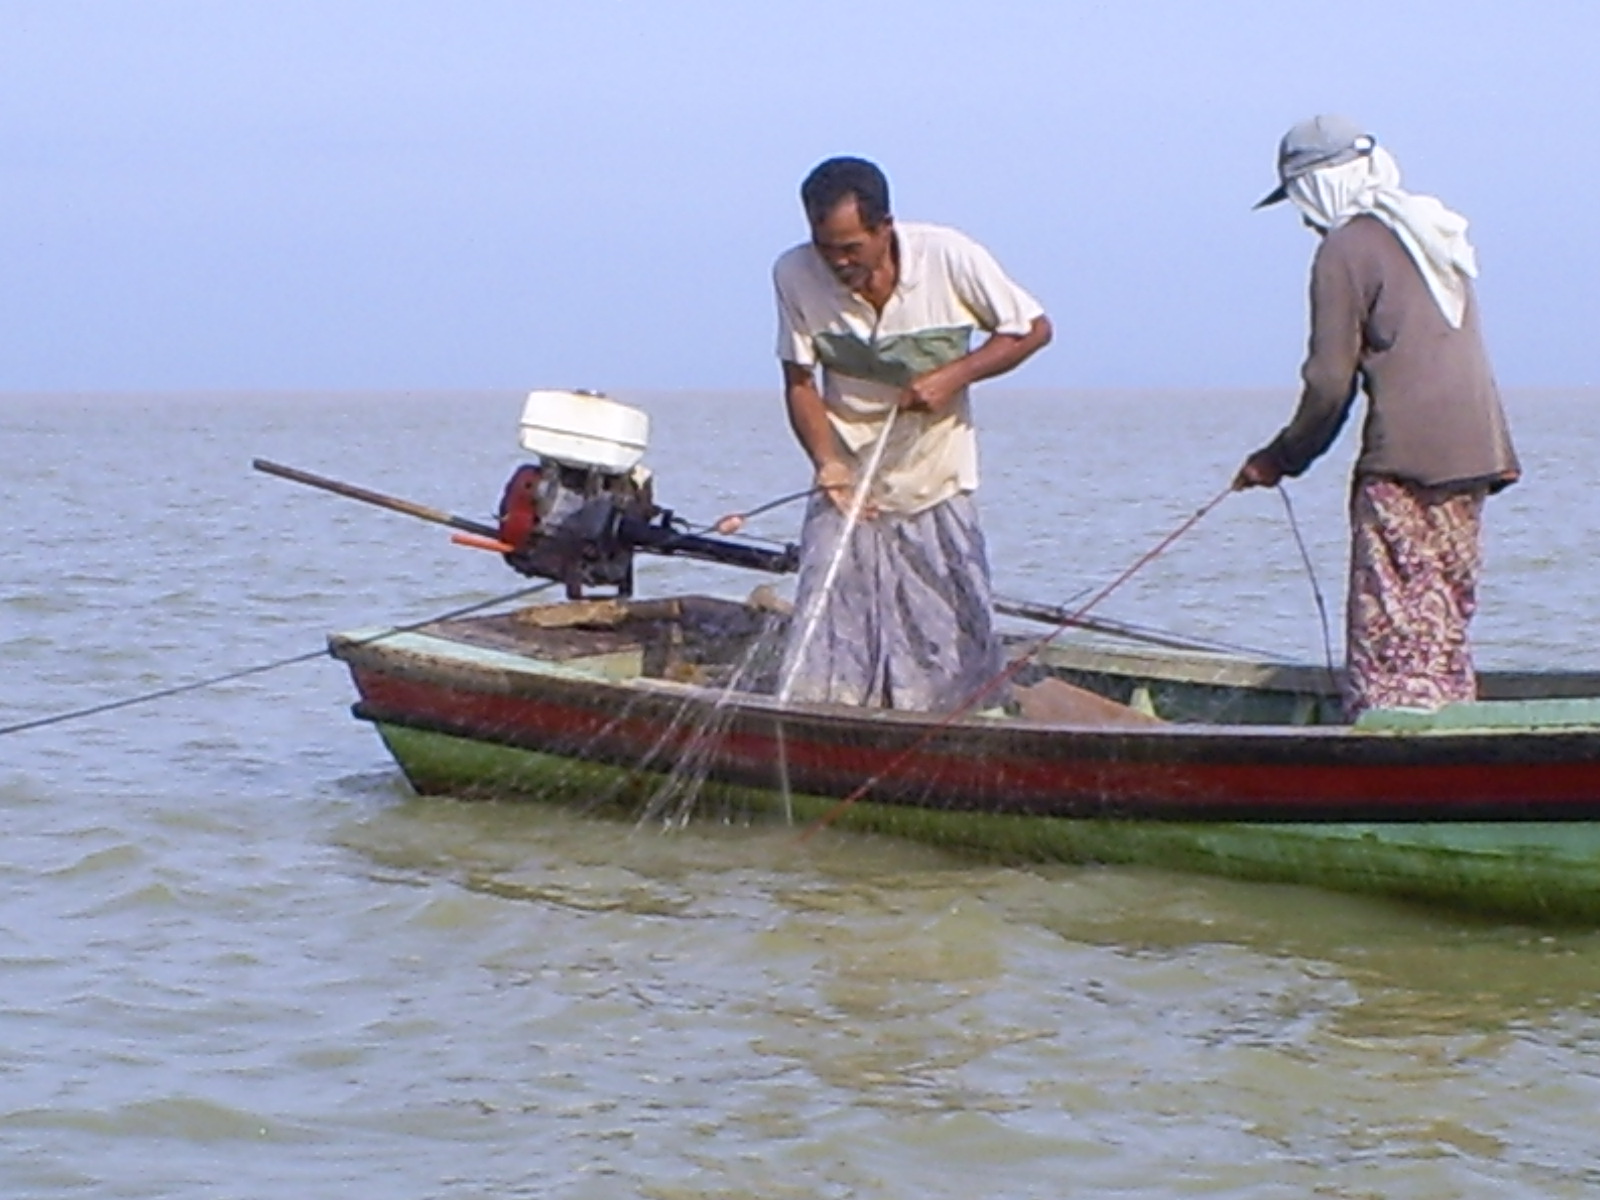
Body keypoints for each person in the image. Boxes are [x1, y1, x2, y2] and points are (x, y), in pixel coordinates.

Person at [1233, 115, 1520, 719]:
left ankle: (1396, 732)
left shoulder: (1344, 249)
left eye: (1302, 200)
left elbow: (1328, 383)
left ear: (1320, 185)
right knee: (1440, 611)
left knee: (1391, 621)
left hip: (1406, 461)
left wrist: (1280, 458)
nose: (1305, 220)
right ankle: (1449, 722)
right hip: (1477, 455)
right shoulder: (1429, 230)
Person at [771, 156, 1052, 711]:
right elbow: (799, 382)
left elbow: (1032, 330)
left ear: (884, 227)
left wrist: (954, 375)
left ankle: (956, 721)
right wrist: (827, 463)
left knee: (947, 635)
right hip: (848, 483)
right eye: (826, 248)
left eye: (851, 248)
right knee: (827, 635)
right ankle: (833, 721)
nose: (838, 262)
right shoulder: (793, 273)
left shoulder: (949, 256)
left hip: (935, 477)